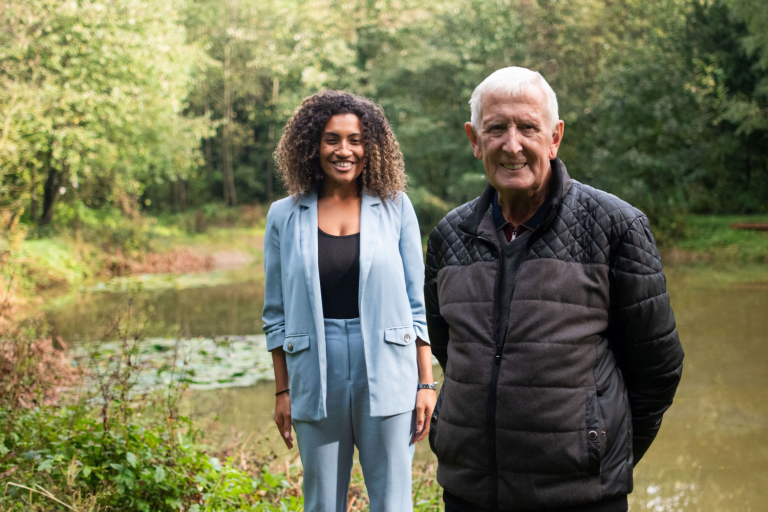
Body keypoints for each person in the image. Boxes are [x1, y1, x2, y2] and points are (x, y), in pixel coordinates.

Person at [425, 67, 684, 512]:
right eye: (496, 128)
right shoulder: (449, 235)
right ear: (474, 139)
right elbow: (449, 350)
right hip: (469, 493)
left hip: (581, 498)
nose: (512, 145)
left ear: (554, 137)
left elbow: (657, 370)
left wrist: (602, 456)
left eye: (528, 127)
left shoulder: (616, 227)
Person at [263, 90, 436, 512]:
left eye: (355, 140)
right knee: (322, 503)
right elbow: (275, 315)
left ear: (370, 146)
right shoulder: (283, 215)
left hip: (389, 366)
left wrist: (426, 383)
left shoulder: (396, 207)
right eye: (332, 139)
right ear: (312, 145)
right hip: (313, 371)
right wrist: (282, 390)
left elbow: (418, 304)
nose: (345, 150)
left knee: (393, 503)